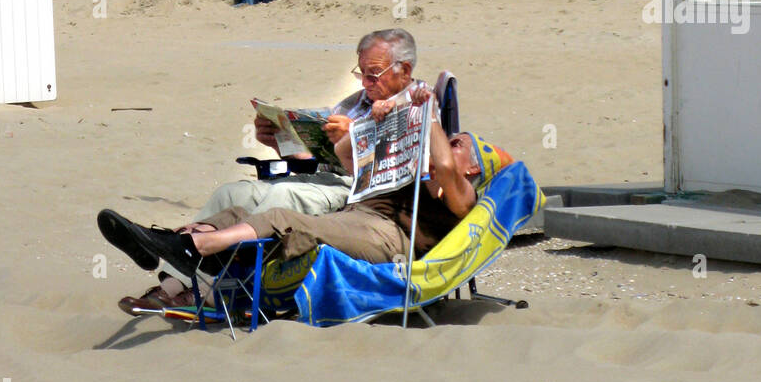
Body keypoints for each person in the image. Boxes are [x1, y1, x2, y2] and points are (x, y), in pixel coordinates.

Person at [105, 27, 426, 313]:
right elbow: (316, 160)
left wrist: (354, 139)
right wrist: (280, 141)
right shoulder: (352, 103)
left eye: (374, 74)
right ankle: (170, 275)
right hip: (322, 179)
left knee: (284, 195)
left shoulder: (416, 109)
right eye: (362, 74)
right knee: (231, 192)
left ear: (404, 70)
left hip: (357, 193)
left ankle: (198, 287)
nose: (367, 83)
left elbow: (397, 176)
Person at [99, 125, 512, 279]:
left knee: (284, 216)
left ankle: (196, 249)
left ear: (472, 168)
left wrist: (430, 116)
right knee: (238, 212)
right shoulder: (413, 170)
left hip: (389, 239)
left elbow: (444, 162)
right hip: (359, 215)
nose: (448, 144)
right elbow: (352, 162)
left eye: (459, 144)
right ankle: (164, 241)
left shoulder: (463, 195)